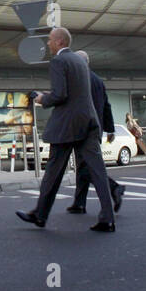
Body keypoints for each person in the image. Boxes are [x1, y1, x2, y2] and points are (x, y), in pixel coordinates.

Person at [16, 27, 116, 232]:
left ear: (60, 42)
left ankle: (40, 215)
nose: (48, 44)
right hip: (88, 121)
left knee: (53, 171)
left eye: (51, 40)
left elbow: (60, 94)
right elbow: (75, 93)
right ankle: (107, 217)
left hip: (67, 126)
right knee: (97, 171)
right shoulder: (80, 61)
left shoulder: (58, 62)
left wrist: (44, 99)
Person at [66, 51, 124, 215]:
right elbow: (106, 105)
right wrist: (110, 128)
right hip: (95, 130)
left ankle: (115, 188)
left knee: (88, 167)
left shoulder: (79, 80)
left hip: (82, 130)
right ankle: (79, 202)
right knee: (84, 166)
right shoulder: (98, 80)